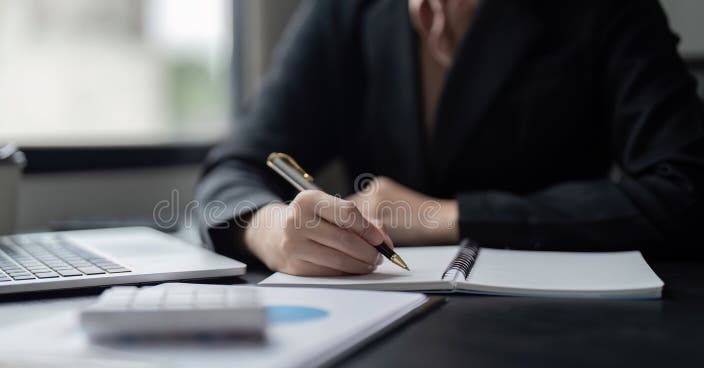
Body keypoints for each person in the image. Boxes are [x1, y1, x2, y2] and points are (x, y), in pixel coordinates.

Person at [194, 0, 704, 276]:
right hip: (376, 335)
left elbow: (686, 190)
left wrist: (441, 216)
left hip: (555, 340)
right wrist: (273, 229)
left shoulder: (609, 11)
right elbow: (233, 168)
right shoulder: (344, 12)